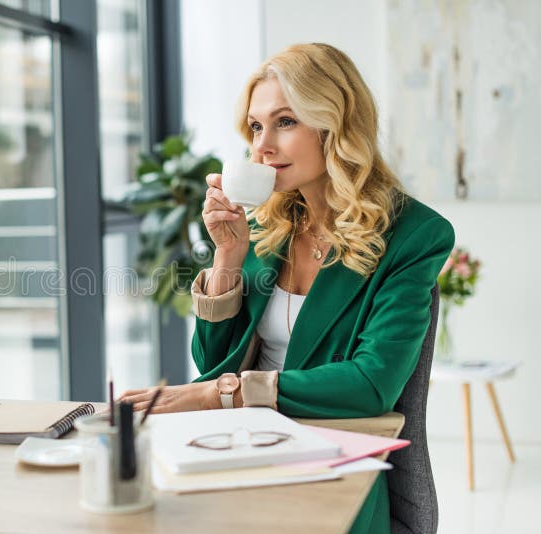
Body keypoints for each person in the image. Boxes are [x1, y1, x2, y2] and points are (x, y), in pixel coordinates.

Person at [120, 43, 454, 533]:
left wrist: (225, 394)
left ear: (336, 124)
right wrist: (227, 258)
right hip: (237, 447)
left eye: (285, 122)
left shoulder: (413, 235)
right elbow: (212, 363)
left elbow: (371, 384)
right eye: (256, 127)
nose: (263, 147)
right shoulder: (265, 227)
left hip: (333, 461)